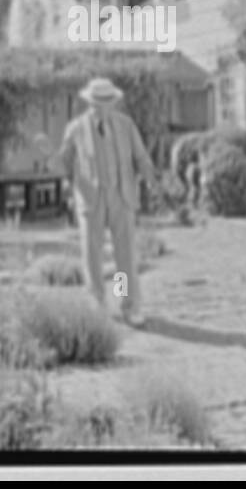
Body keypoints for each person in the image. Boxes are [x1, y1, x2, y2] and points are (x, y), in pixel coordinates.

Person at [49, 77, 158, 326]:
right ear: (90, 102)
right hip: (90, 198)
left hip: (121, 196)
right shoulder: (76, 128)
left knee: (124, 256)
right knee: (92, 255)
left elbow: (141, 157)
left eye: (108, 101)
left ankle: (128, 305)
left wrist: (151, 177)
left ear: (113, 102)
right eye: (99, 102)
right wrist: (60, 170)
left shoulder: (126, 125)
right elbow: (63, 163)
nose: (103, 106)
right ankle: (97, 303)